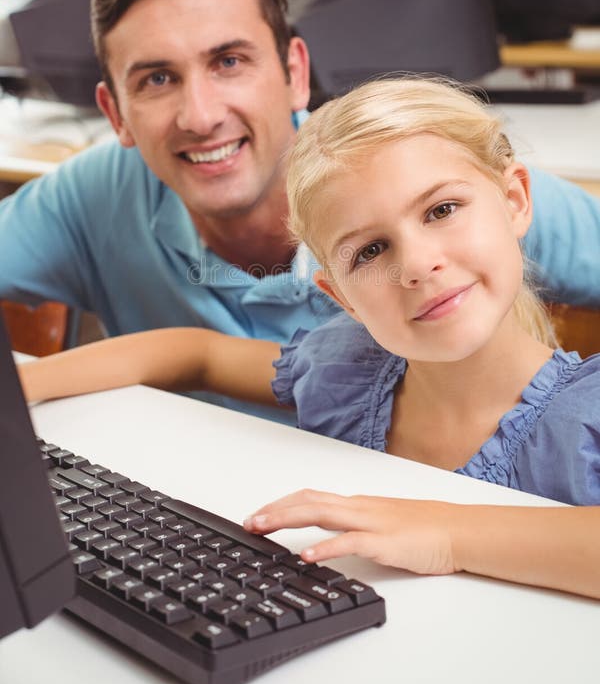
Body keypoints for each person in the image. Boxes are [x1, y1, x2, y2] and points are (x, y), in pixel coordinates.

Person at [19, 77, 600, 600]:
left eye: (441, 209)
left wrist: (447, 535)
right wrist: (23, 386)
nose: (418, 265)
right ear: (341, 296)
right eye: (370, 250)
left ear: (515, 200)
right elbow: (196, 353)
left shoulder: (585, 417)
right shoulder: (349, 371)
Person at [2, 0, 600, 421]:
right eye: (157, 79)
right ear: (115, 114)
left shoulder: (424, 181)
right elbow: (197, 356)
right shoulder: (89, 198)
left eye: (229, 61)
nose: (201, 116)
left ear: (294, 72)